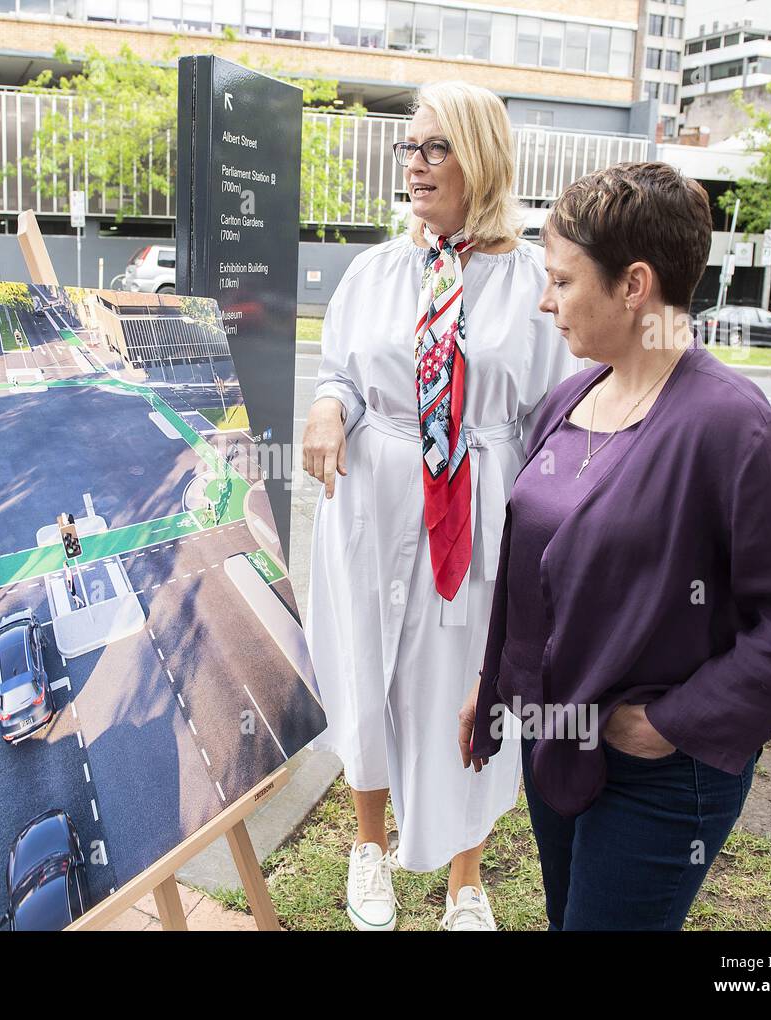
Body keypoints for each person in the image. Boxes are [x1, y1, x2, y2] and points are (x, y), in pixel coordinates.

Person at [462, 162, 771, 930]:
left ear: (634, 286)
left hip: (659, 774)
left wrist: (675, 721)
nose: (546, 302)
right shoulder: (571, 398)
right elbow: (533, 571)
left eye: (563, 282)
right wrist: (499, 681)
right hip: (557, 739)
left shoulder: (735, 431)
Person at [301, 81, 580, 932]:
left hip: (481, 508)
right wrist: (326, 406)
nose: (415, 166)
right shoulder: (375, 270)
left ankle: (466, 876)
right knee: (368, 661)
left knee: (469, 681)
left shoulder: (532, 281)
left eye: (435, 148)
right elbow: (342, 373)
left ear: (480, 158)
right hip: (373, 500)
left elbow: (551, 415)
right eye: (408, 149)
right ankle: (369, 845)